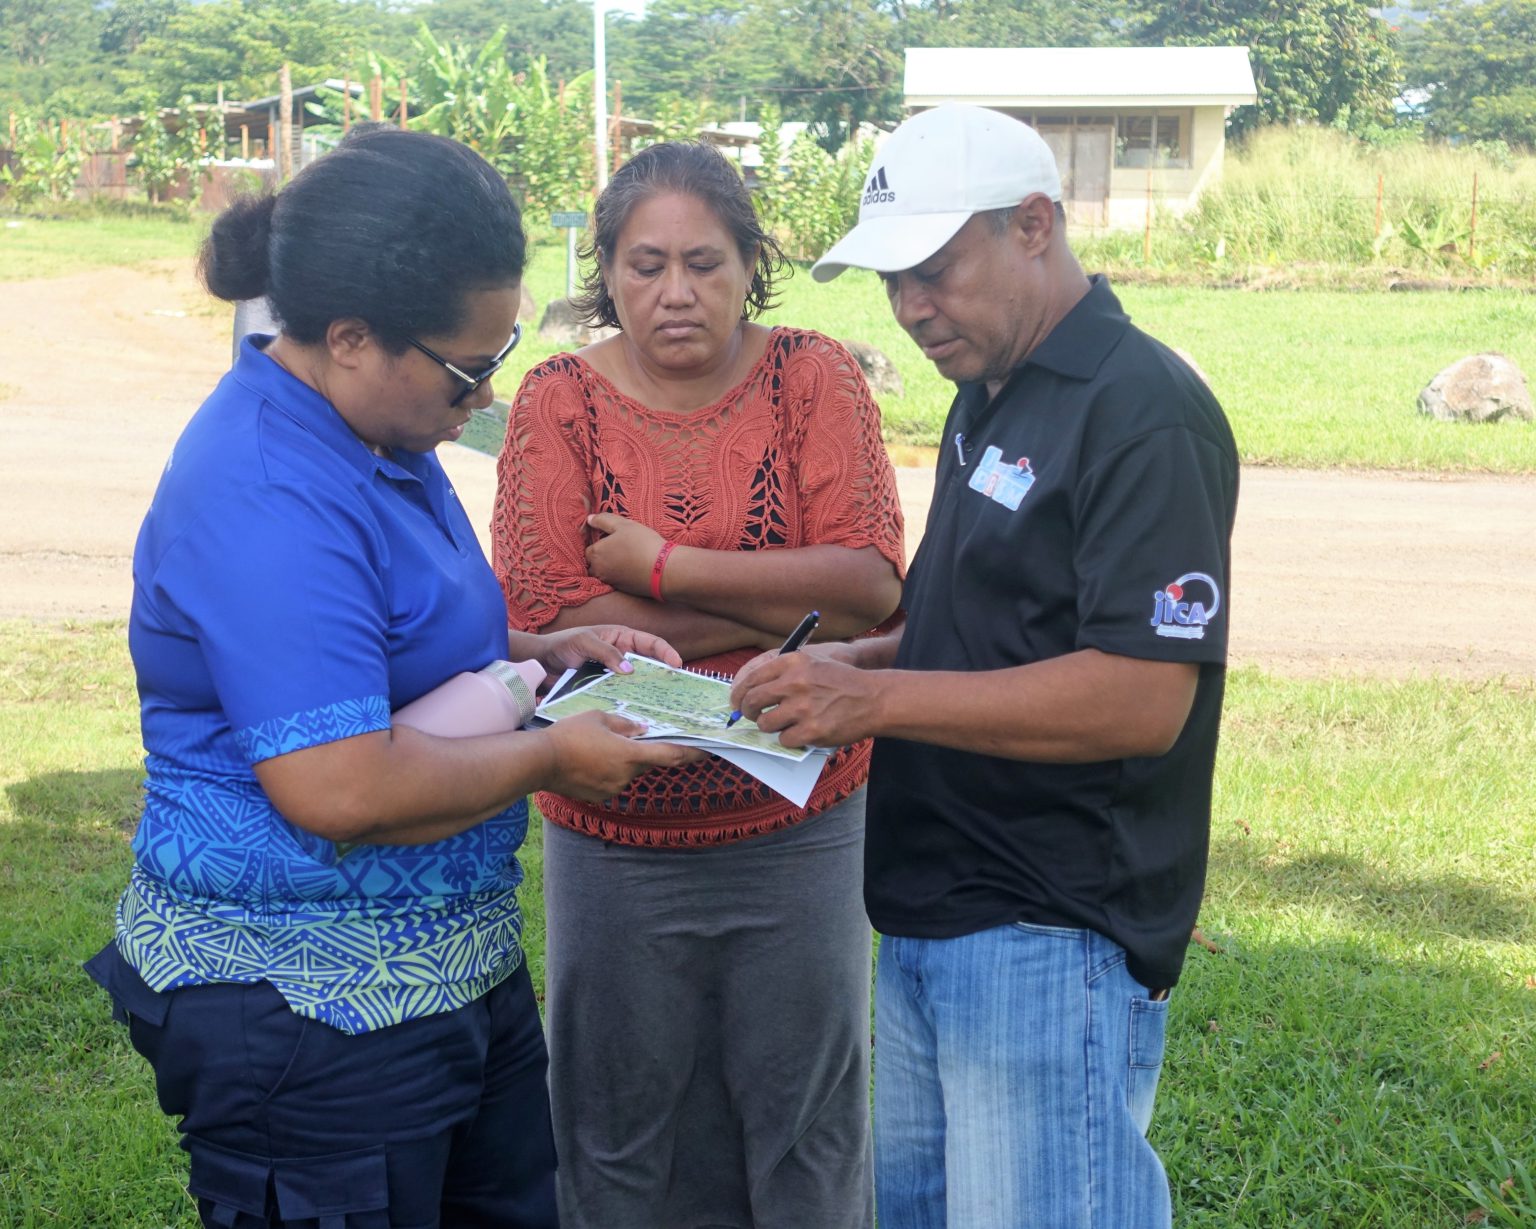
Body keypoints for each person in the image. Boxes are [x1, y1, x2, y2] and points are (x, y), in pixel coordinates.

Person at [85, 124, 701, 1229]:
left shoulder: (380, 433)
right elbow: (339, 784)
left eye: (499, 358)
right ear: (352, 338)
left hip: (448, 967)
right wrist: (555, 757)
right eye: (468, 369)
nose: (485, 396)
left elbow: (398, 631)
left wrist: (546, 651)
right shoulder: (268, 487)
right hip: (308, 1002)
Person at [729, 103, 1240, 1229]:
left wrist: (870, 695)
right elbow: (971, 620)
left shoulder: (1143, 413)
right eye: (891, 281)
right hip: (930, 907)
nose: (912, 307)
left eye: (935, 270)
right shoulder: (990, 392)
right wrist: (849, 661)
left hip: (1050, 926)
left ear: (1034, 225)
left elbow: (1141, 695)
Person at [491, 140, 906, 1229]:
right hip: (613, 831)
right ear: (606, 271)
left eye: (705, 262)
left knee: (807, 1130)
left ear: (750, 265)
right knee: (614, 1130)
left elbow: (870, 584)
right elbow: (552, 617)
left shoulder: (813, 377)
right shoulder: (558, 400)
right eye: (645, 265)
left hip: (801, 821)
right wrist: (779, 601)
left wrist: (664, 569)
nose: (675, 291)